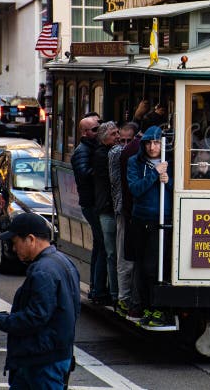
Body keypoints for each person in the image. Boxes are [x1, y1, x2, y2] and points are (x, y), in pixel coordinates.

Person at [0, 213, 80, 389]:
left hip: (42, 361)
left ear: (30, 239)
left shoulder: (42, 272)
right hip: (51, 355)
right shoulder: (64, 262)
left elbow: (35, 317)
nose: (14, 249)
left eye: (15, 242)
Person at [126, 125, 173, 327]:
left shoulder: (172, 163)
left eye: (156, 143)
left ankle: (157, 306)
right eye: (148, 143)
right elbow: (135, 189)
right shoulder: (134, 162)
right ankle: (143, 304)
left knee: (156, 266)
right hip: (141, 219)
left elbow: (179, 188)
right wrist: (155, 174)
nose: (152, 147)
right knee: (141, 265)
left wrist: (168, 180)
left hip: (163, 219)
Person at [71, 115, 108, 304]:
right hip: (91, 204)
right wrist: (102, 169)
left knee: (99, 245)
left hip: (93, 203)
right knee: (102, 245)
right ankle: (98, 289)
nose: (98, 131)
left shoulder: (91, 148)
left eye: (100, 127)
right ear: (85, 133)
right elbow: (84, 173)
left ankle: (96, 287)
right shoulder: (82, 150)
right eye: (95, 129)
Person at [109, 121, 138, 316]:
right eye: (122, 140)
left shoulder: (129, 152)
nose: (125, 144)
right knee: (122, 256)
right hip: (123, 209)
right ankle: (123, 298)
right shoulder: (117, 153)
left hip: (132, 211)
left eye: (129, 140)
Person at [94, 122, 119, 305]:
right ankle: (114, 293)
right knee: (110, 252)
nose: (117, 137)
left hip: (112, 209)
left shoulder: (110, 152)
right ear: (104, 138)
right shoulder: (103, 156)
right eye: (114, 134)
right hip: (107, 210)